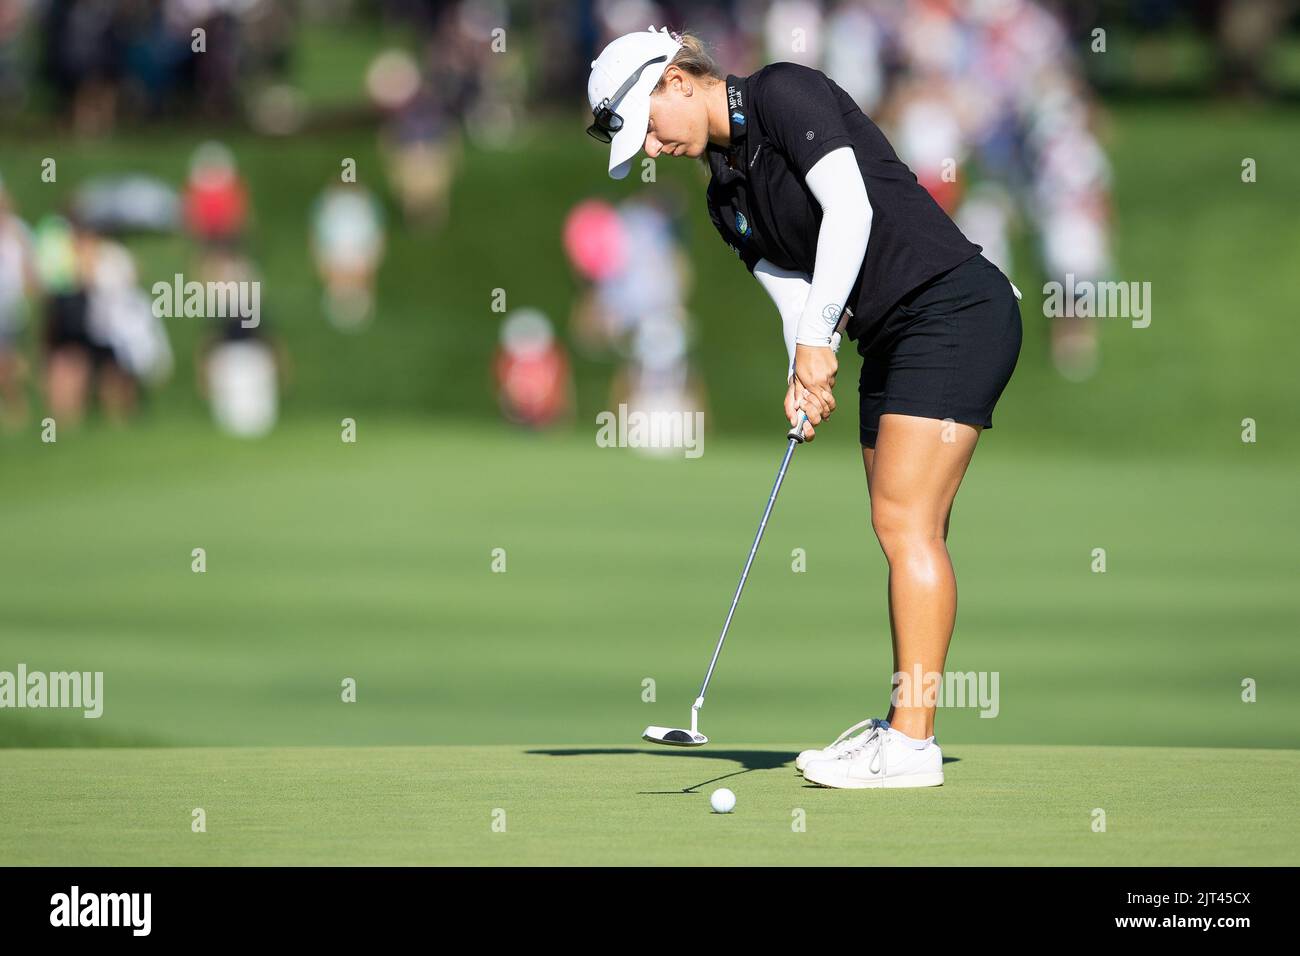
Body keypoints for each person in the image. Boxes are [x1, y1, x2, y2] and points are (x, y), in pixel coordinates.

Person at [586, 28, 1022, 790]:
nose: (652, 149)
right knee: (903, 527)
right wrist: (804, 367)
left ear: (676, 82)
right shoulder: (726, 200)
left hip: (953, 307)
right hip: (890, 334)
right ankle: (901, 724)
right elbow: (794, 298)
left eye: (650, 128)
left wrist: (822, 338)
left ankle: (913, 744)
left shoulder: (783, 92)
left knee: (905, 522)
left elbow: (849, 209)